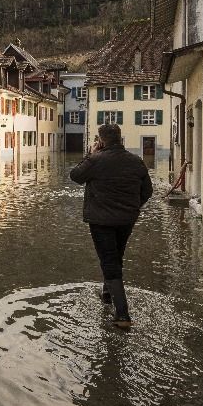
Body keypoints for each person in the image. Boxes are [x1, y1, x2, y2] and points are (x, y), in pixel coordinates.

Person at [69, 123, 153, 328]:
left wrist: (90, 155)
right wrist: (133, 207)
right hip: (126, 219)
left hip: (101, 220)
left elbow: (75, 176)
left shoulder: (96, 160)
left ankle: (122, 314)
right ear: (120, 138)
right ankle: (107, 294)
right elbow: (147, 191)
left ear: (100, 140)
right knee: (116, 255)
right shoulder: (136, 161)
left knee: (109, 260)